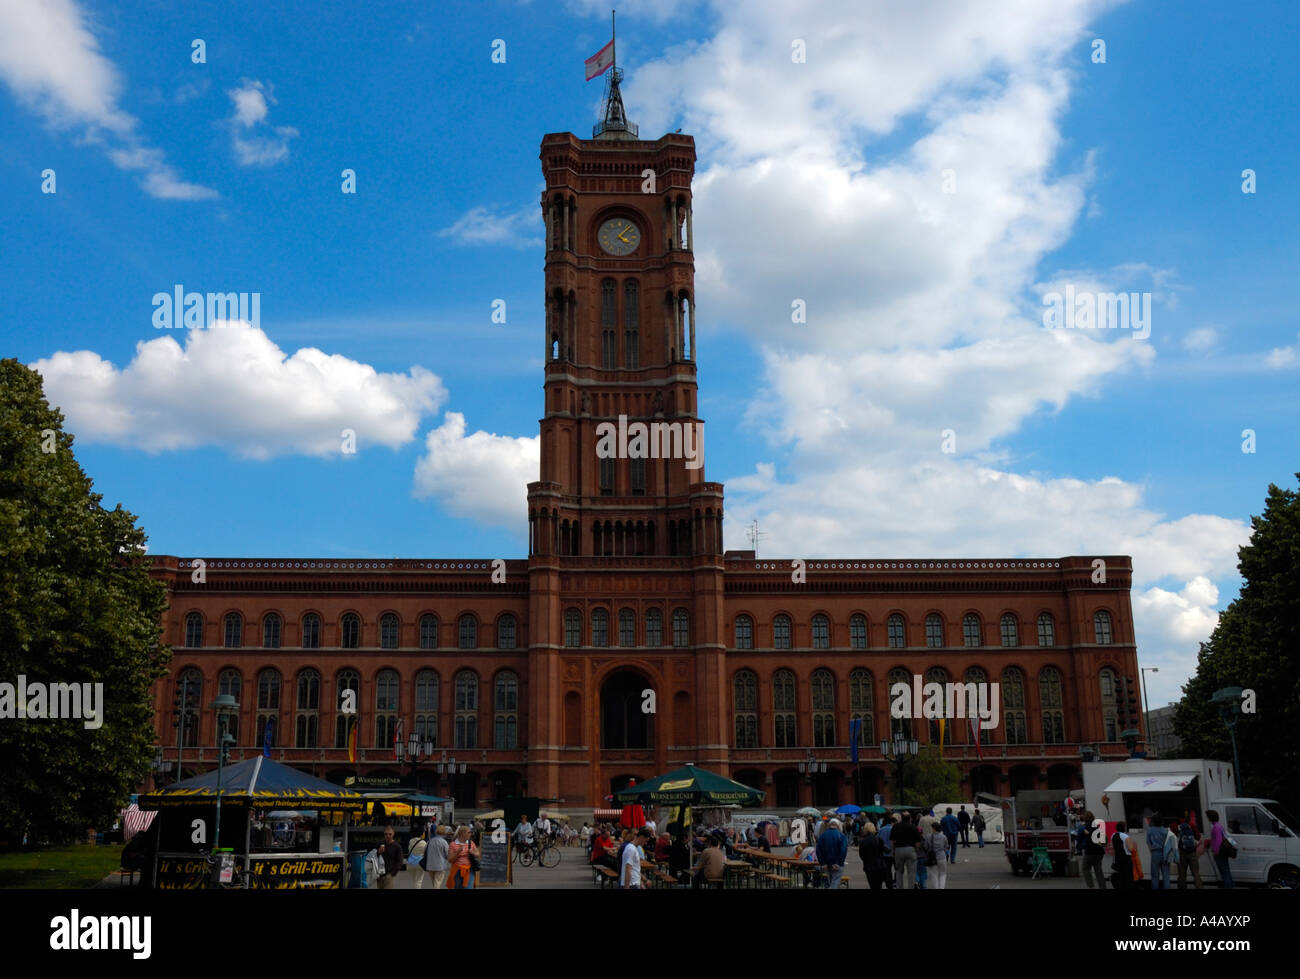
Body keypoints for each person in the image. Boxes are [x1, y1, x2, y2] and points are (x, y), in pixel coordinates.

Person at [815, 818, 849, 889]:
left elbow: (818, 850)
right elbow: (843, 850)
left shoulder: (823, 835)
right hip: (837, 864)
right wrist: (839, 863)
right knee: (834, 882)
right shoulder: (841, 835)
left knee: (831, 881)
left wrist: (823, 862)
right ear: (838, 825)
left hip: (826, 864)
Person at [891, 813, 921, 889]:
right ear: (910, 818)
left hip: (898, 849)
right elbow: (917, 842)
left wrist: (893, 851)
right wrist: (917, 851)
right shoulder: (913, 827)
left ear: (901, 818)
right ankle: (910, 887)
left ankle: (899, 887)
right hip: (910, 849)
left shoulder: (896, 826)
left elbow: (892, 840)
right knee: (911, 872)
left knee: (898, 871)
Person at [1175, 813, 1203, 889]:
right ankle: (1199, 886)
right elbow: (1198, 836)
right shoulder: (1191, 825)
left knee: (1182, 874)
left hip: (1181, 853)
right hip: (1192, 852)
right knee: (1195, 873)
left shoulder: (1176, 826)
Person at [1080, 810, 1106, 889]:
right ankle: (1103, 887)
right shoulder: (1097, 826)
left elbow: (1080, 837)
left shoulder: (1085, 827)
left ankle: (1091, 886)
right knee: (1098, 871)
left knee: (1085, 868)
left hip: (1090, 852)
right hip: (1100, 852)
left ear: (1085, 818)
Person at [447, 825, 479, 889]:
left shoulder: (471, 843)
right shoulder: (453, 844)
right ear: (462, 834)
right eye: (469, 832)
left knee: (469, 887)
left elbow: (478, 854)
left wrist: (473, 852)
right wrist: (457, 852)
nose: (470, 834)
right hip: (457, 870)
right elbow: (450, 860)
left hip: (469, 870)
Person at [1207, 810, 1232, 888]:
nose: (1207, 818)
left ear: (1210, 818)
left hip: (1220, 853)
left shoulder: (1215, 827)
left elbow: (1218, 841)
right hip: (1223, 852)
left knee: (1224, 872)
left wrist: (1216, 852)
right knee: (1226, 871)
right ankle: (1229, 885)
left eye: (1208, 817)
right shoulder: (1219, 826)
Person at [858, 822, 887, 890]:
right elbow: (885, 850)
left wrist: (866, 860)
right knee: (878, 885)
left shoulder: (863, 841)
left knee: (872, 885)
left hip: (868, 866)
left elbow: (861, 854)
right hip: (879, 865)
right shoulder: (878, 839)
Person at [1146, 815, 1171, 890]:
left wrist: (1152, 852)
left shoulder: (1150, 830)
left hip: (1155, 853)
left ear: (1153, 821)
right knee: (1166, 875)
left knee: (1155, 875)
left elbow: (1148, 843)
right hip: (1165, 853)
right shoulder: (1166, 830)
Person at [423, 825, 450, 890]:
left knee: (434, 883)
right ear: (444, 832)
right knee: (437, 883)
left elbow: (424, 852)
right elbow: (447, 854)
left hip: (430, 865)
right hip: (440, 865)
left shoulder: (429, 841)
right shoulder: (444, 842)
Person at [925, 818, 949, 889]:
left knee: (934, 875)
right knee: (943, 874)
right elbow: (946, 847)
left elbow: (926, 847)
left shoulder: (928, 836)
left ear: (934, 828)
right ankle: (941, 887)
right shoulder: (944, 837)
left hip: (932, 858)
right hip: (942, 857)